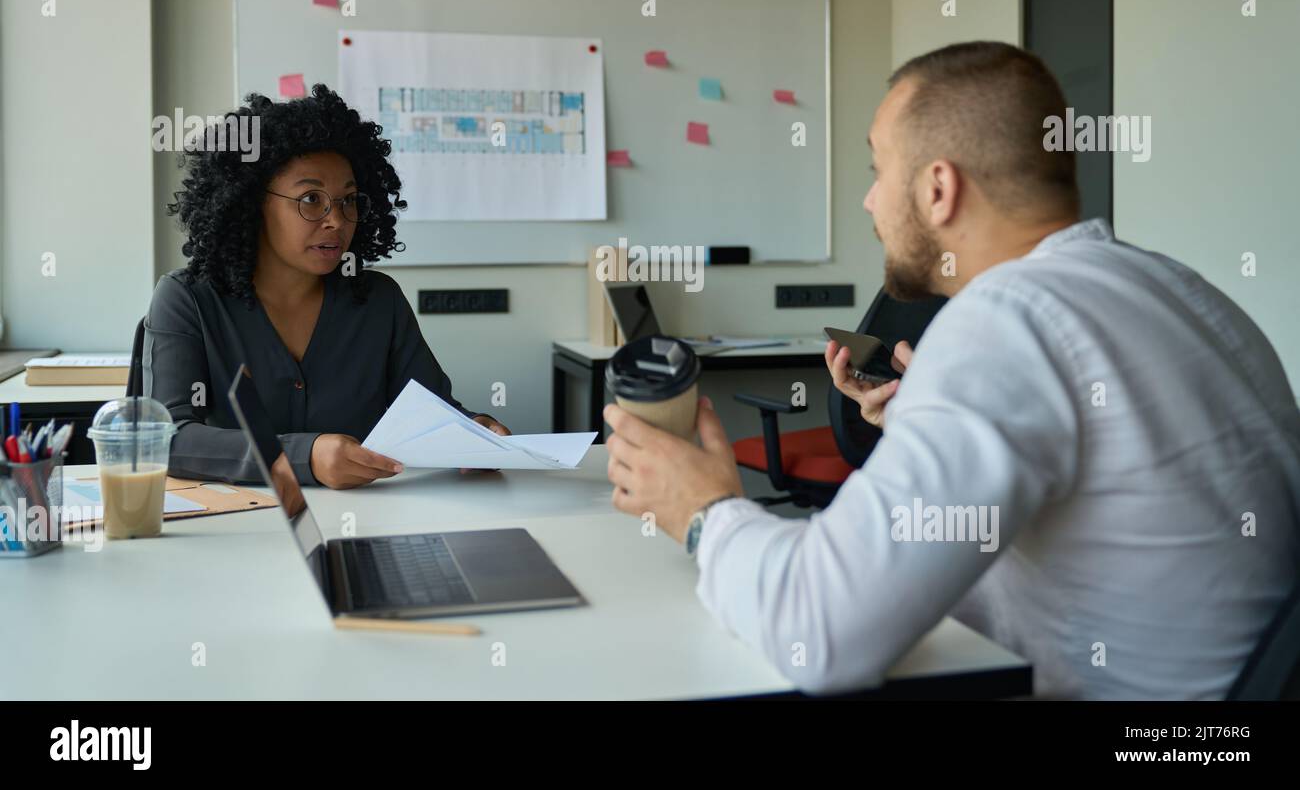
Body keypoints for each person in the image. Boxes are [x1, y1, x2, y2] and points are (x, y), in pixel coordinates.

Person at [602, 41, 1300, 698]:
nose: (871, 201)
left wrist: (702, 511)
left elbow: (819, 632)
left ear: (938, 188)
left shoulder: (1004, 319)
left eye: (878, 170)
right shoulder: (1180, 290)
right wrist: (915, 413)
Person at [146, 85, 509, 490]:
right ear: (251, 203)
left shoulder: (377, 300)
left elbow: (433, 413)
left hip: (368, 520)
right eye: (311, 199)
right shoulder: (188, 299)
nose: (336, 220)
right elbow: (167, 439)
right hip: (235, 531)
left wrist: (473, 431)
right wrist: (305, 457)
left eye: (348, 200)